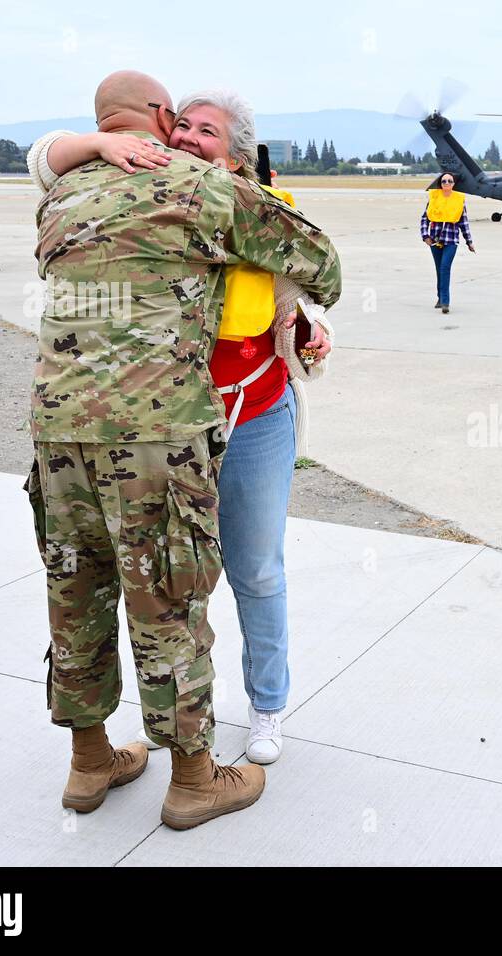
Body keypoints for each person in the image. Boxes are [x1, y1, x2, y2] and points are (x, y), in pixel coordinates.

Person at [24, 70, 341, 831]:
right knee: (166, 598)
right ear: (162, 120)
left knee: (76, 594)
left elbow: (45, 156)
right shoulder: (198, 185)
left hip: (58, 431)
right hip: (153, 433)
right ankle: (195, 780)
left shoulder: (59, 193)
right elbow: (318, 259)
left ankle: (90, 760)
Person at [420, 172, 475, 314]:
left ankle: (445, 302)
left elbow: (464, 223)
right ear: (440, 183)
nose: (446, 183)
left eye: (449, 181)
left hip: (451, 240)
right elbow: (424, 219)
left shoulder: (459, 200)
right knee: (439, 270)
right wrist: (425, 236)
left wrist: (469, 242)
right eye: (444, 181)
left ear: (453, 184)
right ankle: (440, 297)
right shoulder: (433, 198)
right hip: (434, 240)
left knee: (445, 268)